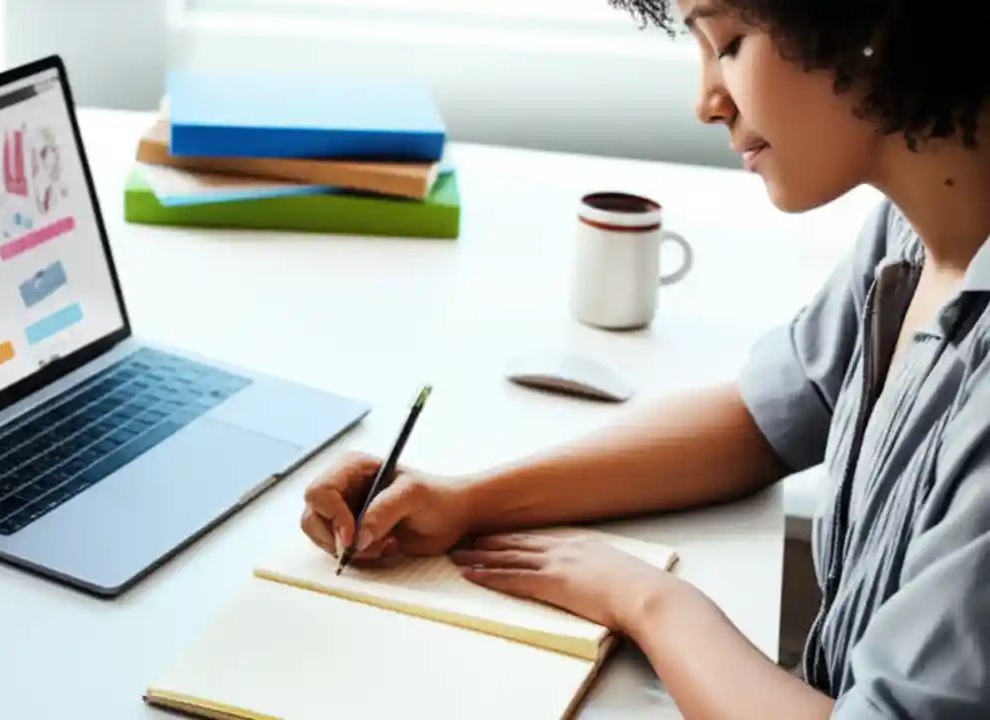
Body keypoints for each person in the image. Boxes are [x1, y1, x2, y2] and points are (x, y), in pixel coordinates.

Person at [299, 0, 990, 717]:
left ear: (876, 25)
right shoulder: (911, 233)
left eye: (728, 43)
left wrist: (650, 601)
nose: (706, 102)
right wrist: (465, 498)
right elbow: (766, 417)